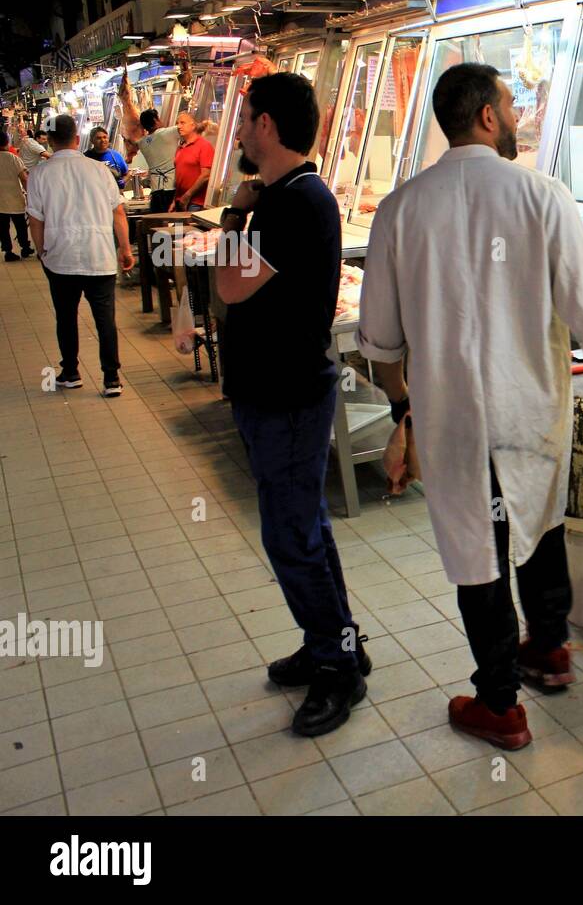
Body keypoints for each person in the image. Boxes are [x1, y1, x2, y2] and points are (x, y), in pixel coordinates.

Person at [357, 62, 583, 751]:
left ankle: (501, 702)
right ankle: (549, 649)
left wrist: (403, 414)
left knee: (477, 549)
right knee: (536, 521)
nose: (518, 118)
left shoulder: (401, 209)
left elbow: (381, 344)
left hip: (453, 418)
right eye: (511, 105)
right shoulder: (544, 196)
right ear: (487, 116)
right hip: (530, 407)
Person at [211, 72, 364, 738]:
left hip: (288, 398)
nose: (241, 132)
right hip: (279, 393)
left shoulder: (290, 204)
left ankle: (338, 670)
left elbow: (229, 286)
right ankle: (333, 643)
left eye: (246, 119)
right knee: (307, 530)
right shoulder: (291, 196)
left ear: (268, 127)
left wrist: (233, 214)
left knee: (291, 537)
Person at [25, 115, 133, 396]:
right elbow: (118, 212)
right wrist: (125, 248)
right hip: (100, 256)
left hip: (61, 258)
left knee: (66, 316)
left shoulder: (40, 173)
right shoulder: (100, 171)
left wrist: (41, 251)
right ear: (77, 139)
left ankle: (71, 372)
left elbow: (35, 220)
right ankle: (111, 379)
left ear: (49, 140)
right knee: (105, 319)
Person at [119, 79, 211, 213]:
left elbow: (133, 140)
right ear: (156, 120)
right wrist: (207, 124)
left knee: (159, 223)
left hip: (156, 191)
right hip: (170, 189)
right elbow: (190, 128)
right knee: (173, 224)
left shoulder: (143, 143)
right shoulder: (166, 133)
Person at [171, 111, 214, 211]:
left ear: (193, 125)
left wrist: (188, 195)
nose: (178, 126)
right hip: (180, 201)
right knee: (178, 226)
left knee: (189, 227)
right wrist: (174, 201)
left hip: (195, 203)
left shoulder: (204, 146)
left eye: (182, 123)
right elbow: (178, 177)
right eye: (177, 123)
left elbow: (206, 175)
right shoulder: (180, 148)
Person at [0, 132, 32, 261]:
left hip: (0, 201)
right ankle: (25, 247)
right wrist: (30, 194)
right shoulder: (13, 158)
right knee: (20, 225)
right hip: (15, 198)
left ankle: (8, 251)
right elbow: (24, 179)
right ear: (6, 142)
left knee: (3, 227)